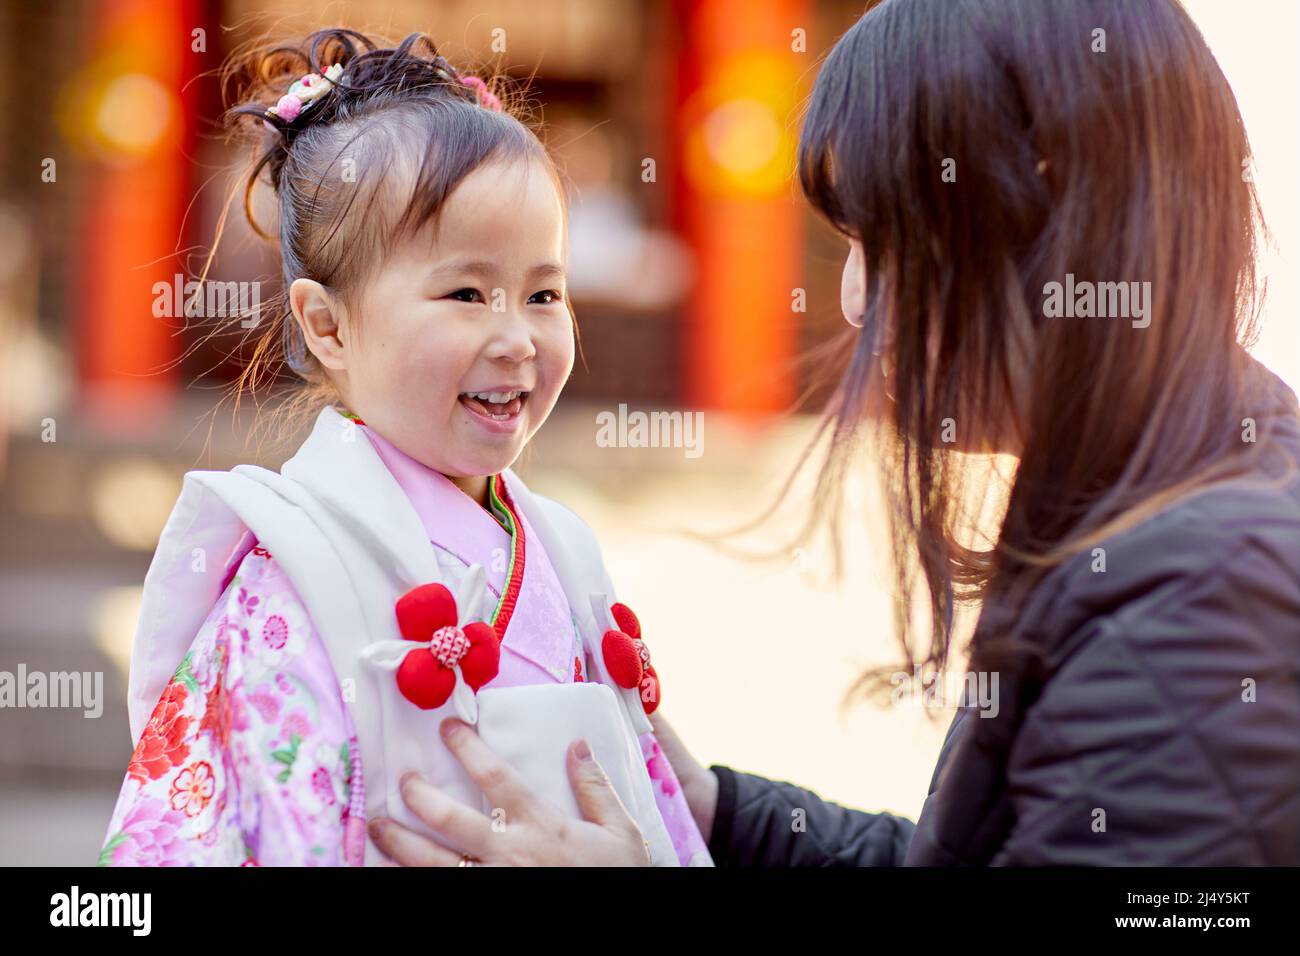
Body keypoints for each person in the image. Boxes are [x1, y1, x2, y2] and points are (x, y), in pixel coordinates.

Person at [369, 0, 1300, 866]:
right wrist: (710, 811)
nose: (855, 301)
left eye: (880, 244)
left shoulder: (1211, 595)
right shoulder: (1191, 506)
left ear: (1050, 217)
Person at [96, 28, 710, 867]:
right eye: (466, 291)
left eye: (543, 292)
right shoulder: (292, 574)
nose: (517, 338)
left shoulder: (563, 552)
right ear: (327, 324)